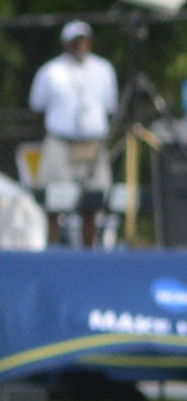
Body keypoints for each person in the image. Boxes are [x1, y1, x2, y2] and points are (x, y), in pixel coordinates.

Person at [27, 20, 117, 249]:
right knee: (53, 200)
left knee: (94, 199)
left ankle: (90, 249)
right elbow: (37, 108)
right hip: (61, 141)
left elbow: (110, 107)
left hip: (93, 143)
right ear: (66, 44)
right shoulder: (51, 71)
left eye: (84, 40)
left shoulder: (103, 70)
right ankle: (52, 247)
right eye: (76, 41)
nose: (81, 45)